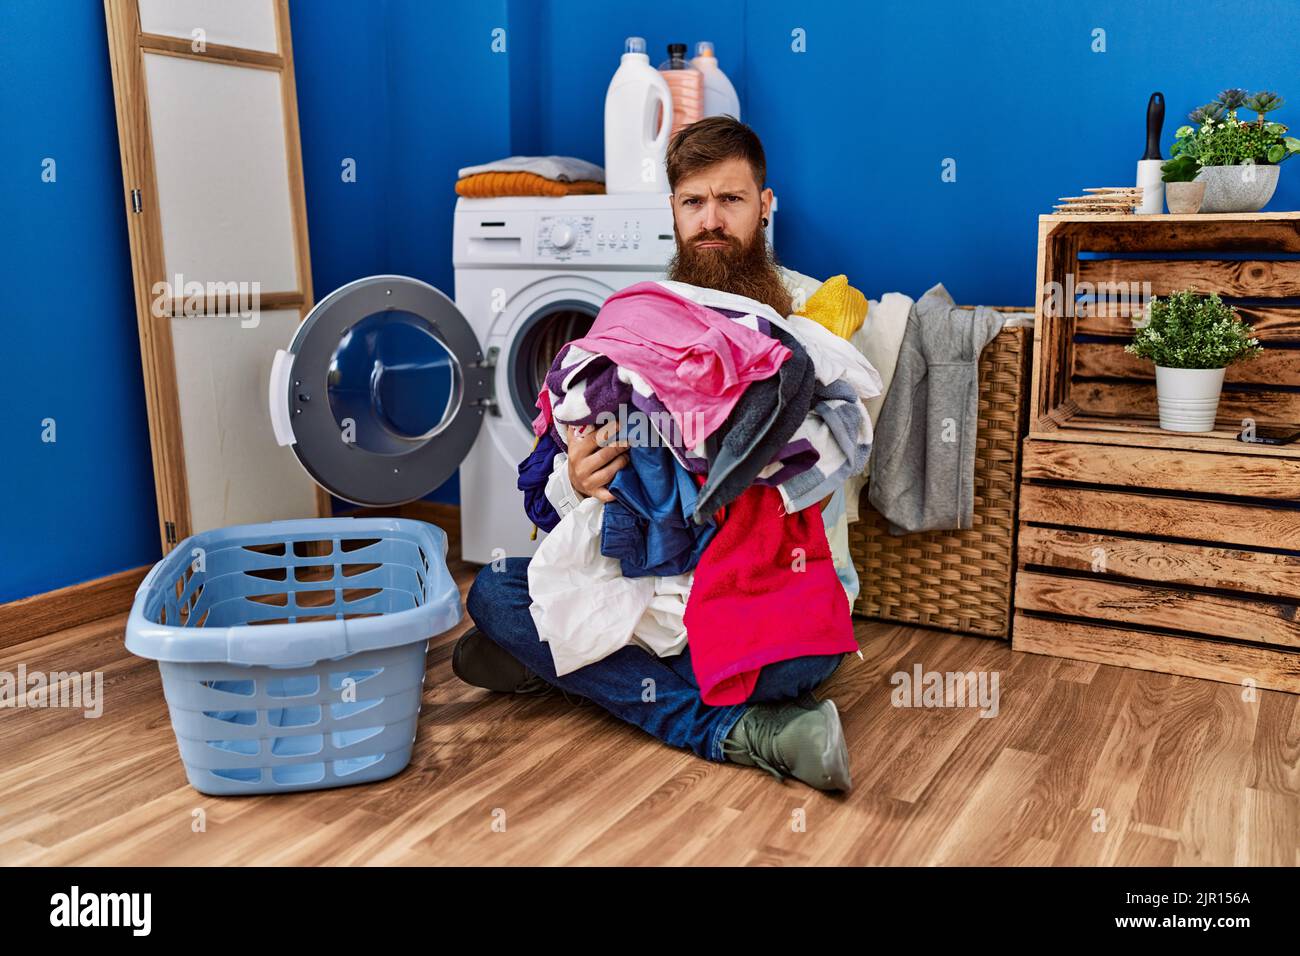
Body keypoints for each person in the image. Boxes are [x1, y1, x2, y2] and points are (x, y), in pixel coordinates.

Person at [452, 116, 853, 791]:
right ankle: (740, 728)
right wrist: (576, 478)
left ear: (766, 204)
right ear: (672, 209)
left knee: (793, 669)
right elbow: (562, 477)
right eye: (694, 202)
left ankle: (568, 667)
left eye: (731, 200)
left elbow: (832, 460)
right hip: (640, 585)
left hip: (772, 596)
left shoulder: (812, 315)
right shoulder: (636, 319)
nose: (712, 221)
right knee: (492, 591)